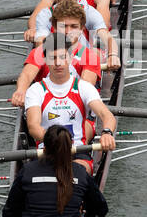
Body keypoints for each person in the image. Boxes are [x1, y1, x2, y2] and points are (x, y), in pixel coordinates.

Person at [21, 31, 118, 174]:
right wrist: (57, 142)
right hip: (47, 150)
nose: (58, 63)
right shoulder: (36, 90)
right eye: (53, 58)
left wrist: (107, 132)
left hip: (77, 151)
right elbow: (33, 127)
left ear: (71, 57)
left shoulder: (83, 87)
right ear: (45, 60)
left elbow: (106, 115)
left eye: (62, 57)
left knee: (78, 172)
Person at [2, 124, 108, 217]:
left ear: (44, 147)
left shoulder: (27, 170)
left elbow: (8, 213)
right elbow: (102, 210)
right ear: (71, 146)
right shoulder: (81, 172)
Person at [9, 0, 115, 106]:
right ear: (54, 27)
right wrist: (21, 91)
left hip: (77, 107)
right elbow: (27, 75)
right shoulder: (40, 51)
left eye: (73, 26)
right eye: (63, 26)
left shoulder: (90, 56)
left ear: (82, 28)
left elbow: (85, 88)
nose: (68, 31)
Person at [25, 0, 117, 61]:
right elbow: (41, 42)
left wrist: (112, 56)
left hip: (82, 61)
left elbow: (106, 37)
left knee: (96, 54)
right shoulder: (46, 14)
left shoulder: (88, 11)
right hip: (55, 62)